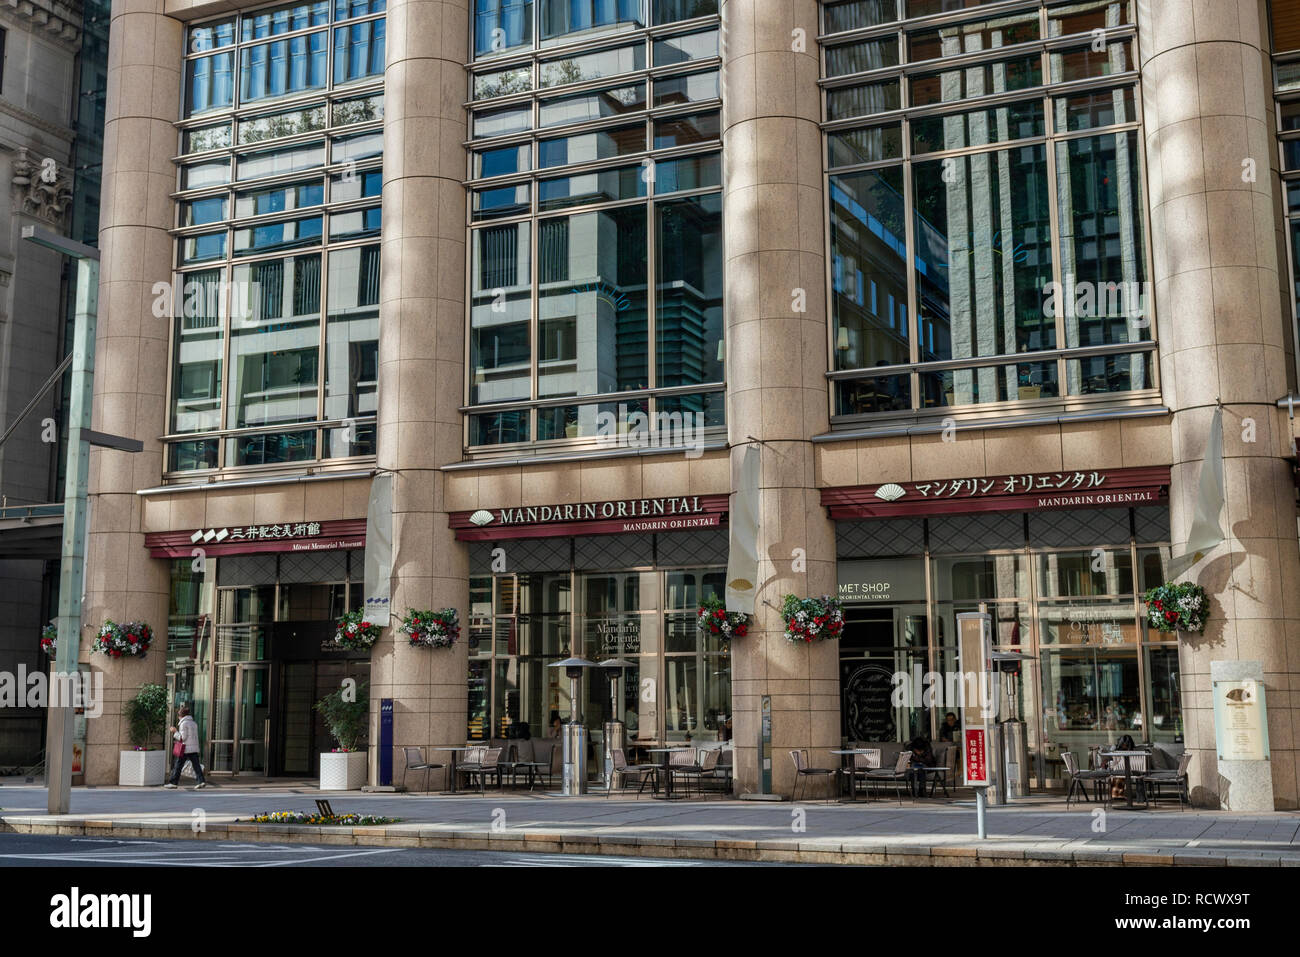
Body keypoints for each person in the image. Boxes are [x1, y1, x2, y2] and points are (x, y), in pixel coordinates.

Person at [164, 705, 206, 790]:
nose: (178, 718)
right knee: (196, 766)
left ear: (181, 716)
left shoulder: (183, 724)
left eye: (178, 716)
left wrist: (175, 731)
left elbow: (183, 738)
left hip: (185, 749)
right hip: (193, 748)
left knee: (178, 765)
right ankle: (201, 781)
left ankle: (173, 783)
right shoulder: (193, 723)